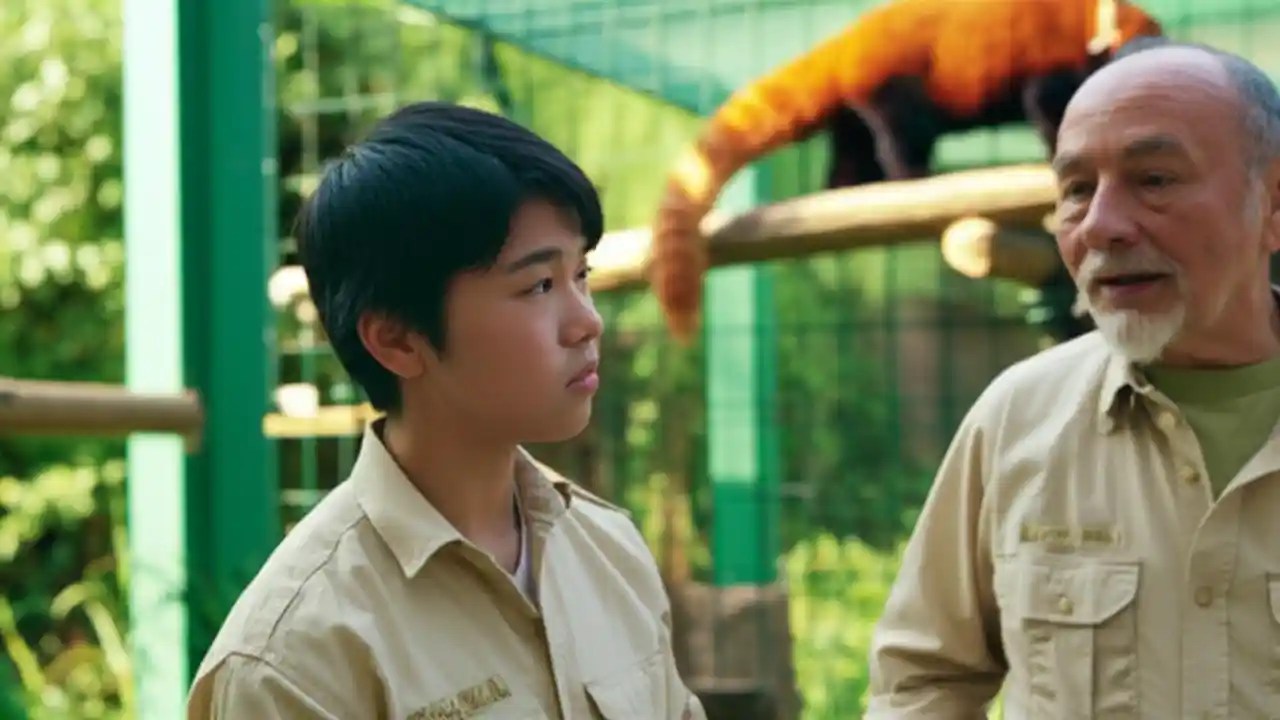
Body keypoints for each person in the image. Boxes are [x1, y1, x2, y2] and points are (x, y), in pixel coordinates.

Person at [186, 102, 705, 720]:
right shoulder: (295, 661)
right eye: (539, 286)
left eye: (581, 274)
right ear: (399, 340)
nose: (587, 321)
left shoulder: (609, 549)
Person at [866, 38, 1280, 719]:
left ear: (1274, 202)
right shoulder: (1016, 419)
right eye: (1076, 190)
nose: (1102, 226)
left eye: (1155, 180)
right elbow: (922, 680)